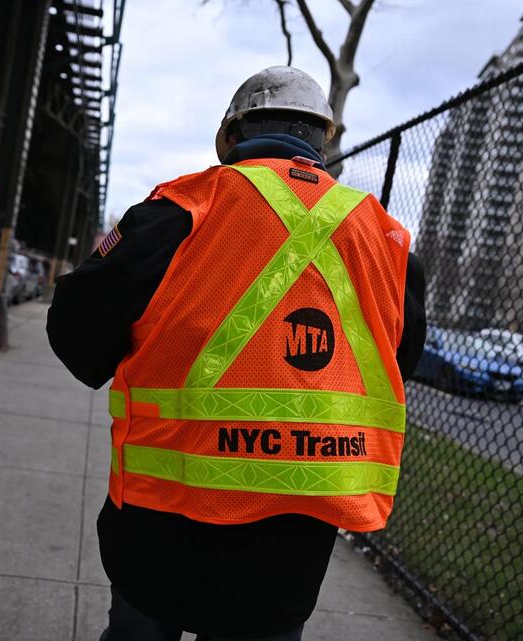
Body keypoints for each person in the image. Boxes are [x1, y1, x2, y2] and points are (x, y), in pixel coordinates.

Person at [47, 67, 426, 640]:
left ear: (229, 136)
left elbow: (78, 334)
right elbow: (399, 364)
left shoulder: (177, 211)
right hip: (295, 536)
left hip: (162, 519)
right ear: (323, 141)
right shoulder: (388, 241)